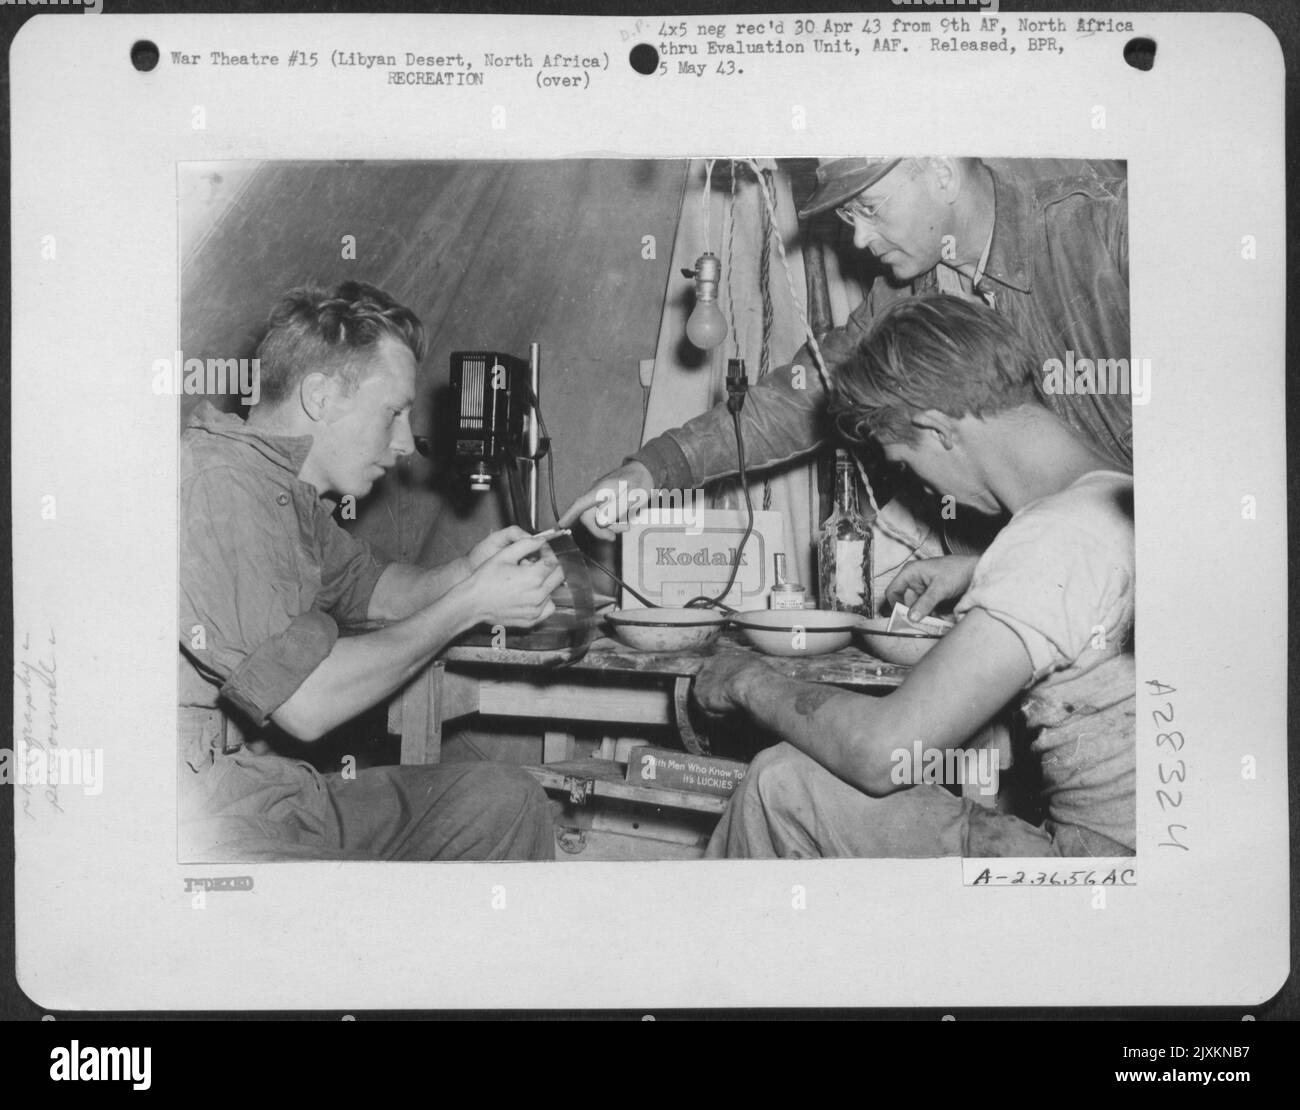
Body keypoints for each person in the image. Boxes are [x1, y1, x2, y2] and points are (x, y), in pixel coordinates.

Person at [691, 294, 1135, 859]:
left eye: (906, 462)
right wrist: (979, 569)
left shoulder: (1056, 539)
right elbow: (1087, 576)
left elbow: (885, 754)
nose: (925, 489)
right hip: (1139, 866)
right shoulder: (1114, 491)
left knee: (780, 781)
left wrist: (745, 680)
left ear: (939, 430)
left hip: (1093, 883)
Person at [561, 157, 1130, 550]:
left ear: (939, 172)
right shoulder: (912, 292)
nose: (858, 242)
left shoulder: (1104, 229)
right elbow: (800, 399)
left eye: (871, 209)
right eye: (847, 219)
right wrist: (653, 471)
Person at [179, 281, 561, 862]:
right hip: (198, 815)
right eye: (394, 412)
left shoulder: (285, 491)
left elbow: (372, 590)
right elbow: (309, 704)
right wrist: (469, 605)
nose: (406, 442)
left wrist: (468, 570)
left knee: (502, 799)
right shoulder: (220, 486)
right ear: (320, 397)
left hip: (269, 791)